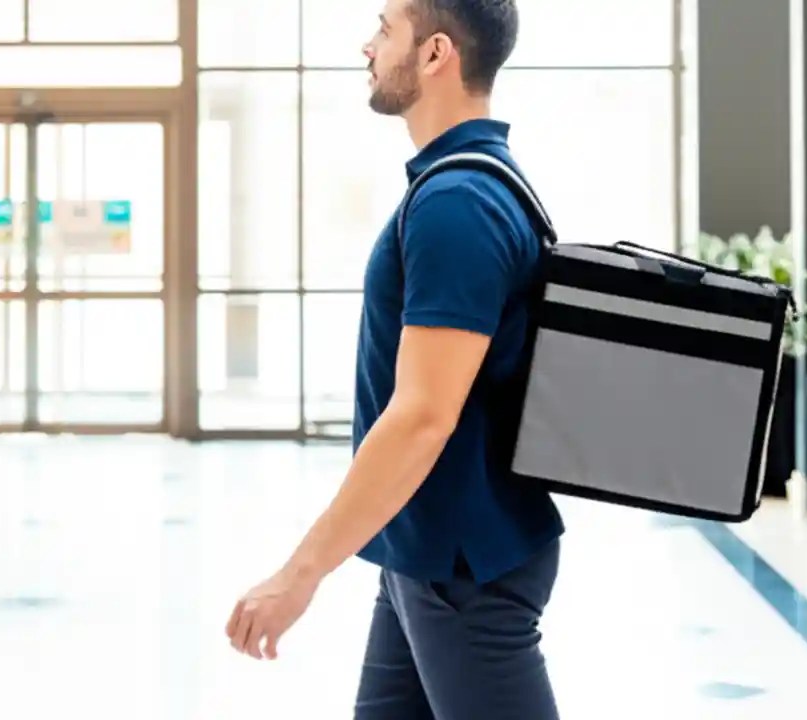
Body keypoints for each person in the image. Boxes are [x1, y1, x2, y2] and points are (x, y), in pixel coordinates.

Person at [224, 0, 565, 716]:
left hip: (463, 567)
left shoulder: (459, 203)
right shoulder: (463, 185)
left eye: (385, 30)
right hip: (426, 552)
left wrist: (299, 574)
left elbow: (422, 417)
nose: (368, 46)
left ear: (436, 53)